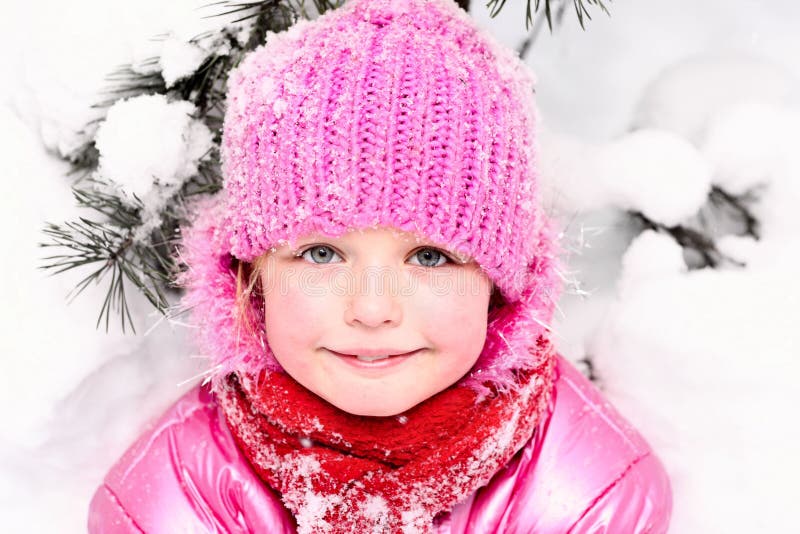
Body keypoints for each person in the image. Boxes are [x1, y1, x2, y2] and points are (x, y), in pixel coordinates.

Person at [87, 0, 673, 532]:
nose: (372, 309)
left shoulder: (588, 493)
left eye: (430, 256)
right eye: (321, 253)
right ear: (252, 275)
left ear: (499, 285)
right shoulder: (175, 497)